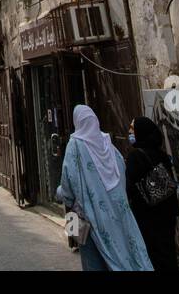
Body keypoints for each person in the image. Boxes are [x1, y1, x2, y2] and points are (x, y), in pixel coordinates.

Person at [56, 104, 153, 271]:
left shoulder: (75, 145)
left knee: (92, 261)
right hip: (117, 214)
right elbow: (121, 173)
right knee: (121, 254)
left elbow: (68, 180)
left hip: (87, 218)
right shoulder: (108, 144)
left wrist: (62, 194)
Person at [126, 116, 179, 272]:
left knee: (152, 256)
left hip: (148, 216)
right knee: (168, 254)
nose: (130, 134)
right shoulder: (162, 154)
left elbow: (130, 188)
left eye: (132, 131)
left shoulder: (135, 157)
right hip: (168, 213)